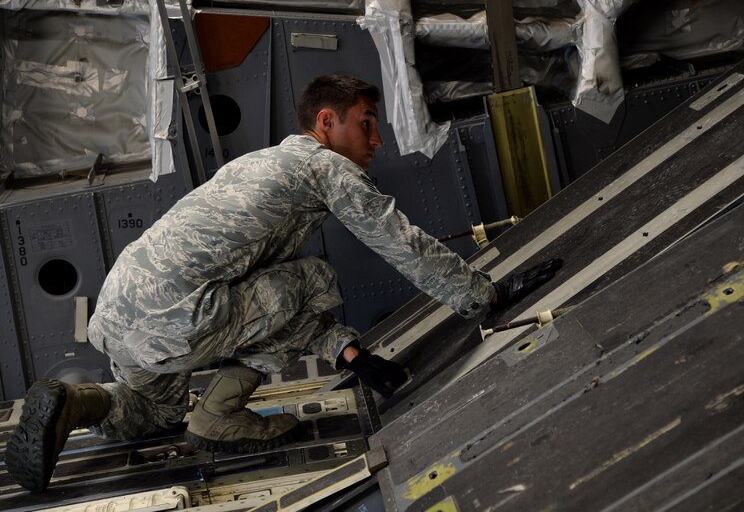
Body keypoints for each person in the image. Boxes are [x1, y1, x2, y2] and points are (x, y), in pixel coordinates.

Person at [5, 75, 561, 493]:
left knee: (143, 414)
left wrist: (343, 351)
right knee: (315, 278)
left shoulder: (262, 163)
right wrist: (482, 295)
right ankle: (218, 414)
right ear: (326, 122)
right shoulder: (325, 168)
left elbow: (257, 301)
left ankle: (76, 404)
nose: (377, 141)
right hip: (178, 313)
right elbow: (401, 243)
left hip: (122, 306)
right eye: (366, 122)